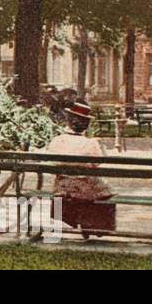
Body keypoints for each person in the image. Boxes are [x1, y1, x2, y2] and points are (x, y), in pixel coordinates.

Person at [42, 100, 116, 236]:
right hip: (85, 191)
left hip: (62, 188)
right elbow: (96, 164)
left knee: (85, 189)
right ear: (86, 125)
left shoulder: (58, 141)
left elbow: (52, 161)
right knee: (103, 192)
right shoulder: (91, 143)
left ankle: (80, 221)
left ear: (68, 121)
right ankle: (93, 226)